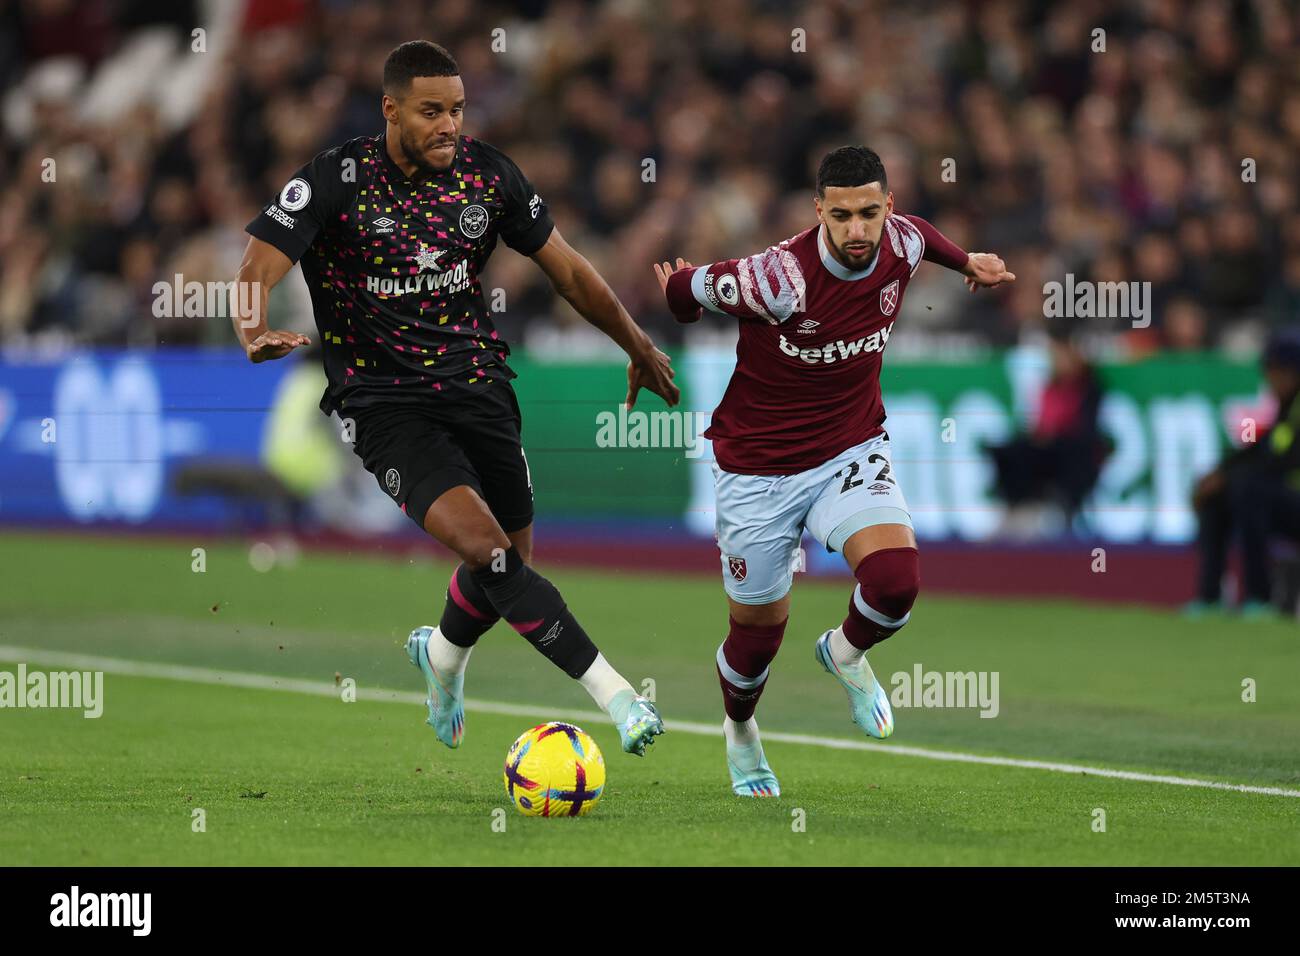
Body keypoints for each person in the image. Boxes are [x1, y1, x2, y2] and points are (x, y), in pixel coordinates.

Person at [229, 40, 678, 756]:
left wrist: (636, 343)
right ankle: (618, 697)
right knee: (493, 555)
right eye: (431, 111)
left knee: (510, 560)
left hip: (480, 389)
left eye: (458, 111)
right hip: (386, 409)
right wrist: (252, 329)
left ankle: (440, 656)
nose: (449, 125)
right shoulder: (336, 178)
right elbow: (257, 263)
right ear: (391, 110)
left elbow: (568, 271)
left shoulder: (487, 175)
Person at [656, 146, 1014, 796]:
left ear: (888, 209)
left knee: (895, 580)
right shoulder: (776, 278)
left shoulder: (898, 243)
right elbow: (686, 288)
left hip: (849, 448)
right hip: (757, 470)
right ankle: (740, 730)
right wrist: (679, 303)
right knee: (757, 636)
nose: (857, 230)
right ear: (819, 211)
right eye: (842, 215)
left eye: (870, 213)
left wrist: (968, 262)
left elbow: (921, 240)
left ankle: (845, 652)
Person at [1189, 329, 1300, 618]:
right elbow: (1262, 448)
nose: (1270, 379)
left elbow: (1285, 460)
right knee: (1218, 496)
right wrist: (1219, 473)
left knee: (1250, 490)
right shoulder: (1287, 408)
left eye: (1276, 371)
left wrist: (1229, 477)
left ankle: (1260, 597)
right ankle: (1210, 597)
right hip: (1285, 501)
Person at [987, 326, 1106, 534]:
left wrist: (1053, 437)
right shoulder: (1051, 386)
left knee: (1051, 453)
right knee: (1010, 450)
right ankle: (1015, 507)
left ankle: (1041, 510)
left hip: (1074, 452)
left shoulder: (1090, 389)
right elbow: (1041, 423)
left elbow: (1086, 429)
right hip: (1048, 447)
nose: (1057, 361)